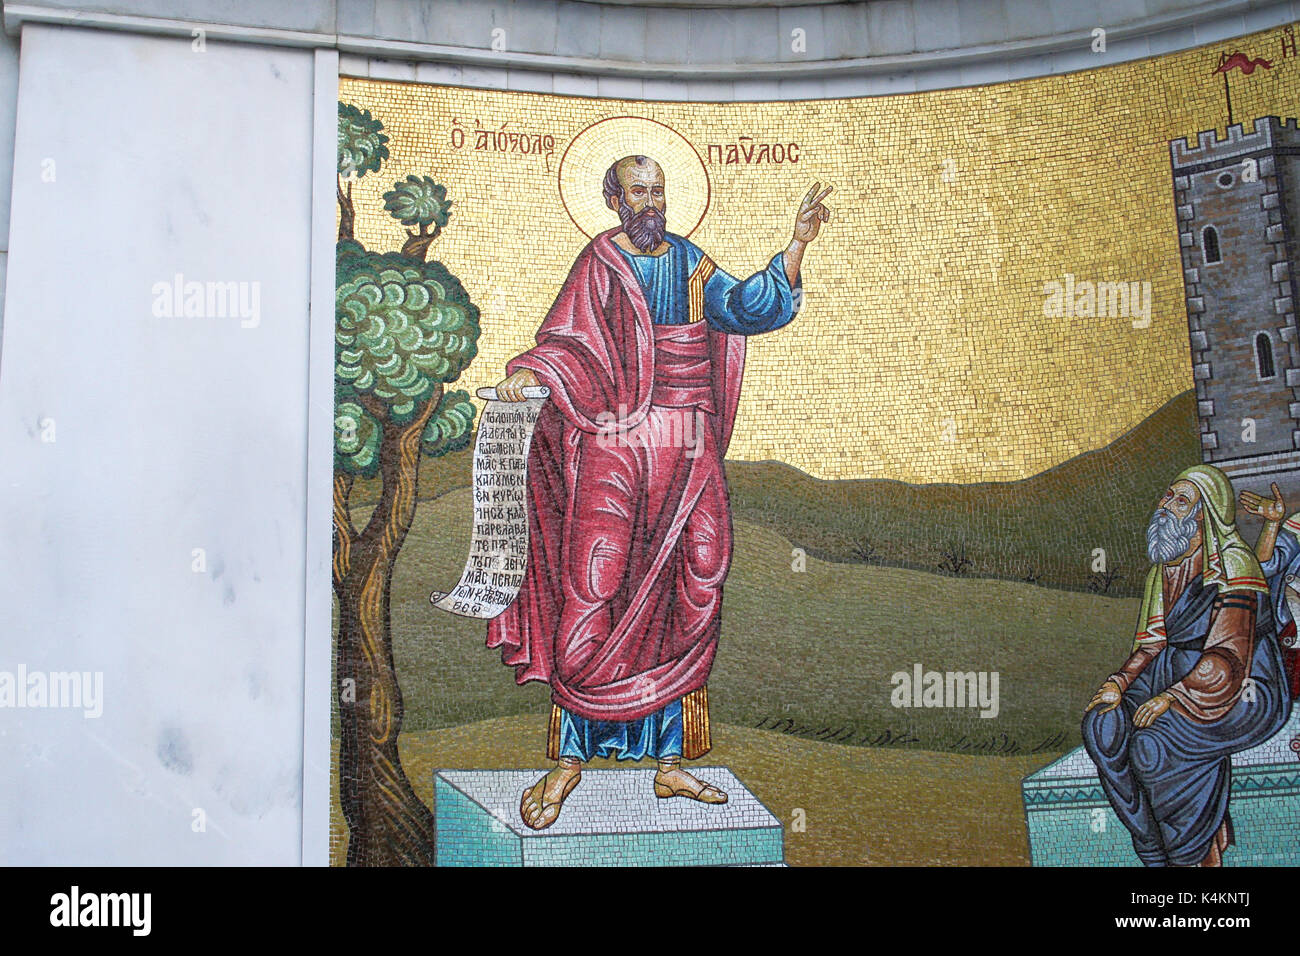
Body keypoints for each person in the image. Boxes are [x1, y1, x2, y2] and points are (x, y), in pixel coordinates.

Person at [488, 154, 832, 829]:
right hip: (615, 437)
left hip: (690, 441)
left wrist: (796, 245)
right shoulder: (599, 265)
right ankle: (568, 761)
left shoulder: (692, 262)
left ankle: (671, 762)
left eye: (659, 192)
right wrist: (531, 377)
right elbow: (566, 344)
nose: (652, 204)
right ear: (615, 199)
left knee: (699, 572)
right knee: (597, 575)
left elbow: (747, 307)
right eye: (639, 192)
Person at [1082, 464, 1290, 866]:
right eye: (1167, 496)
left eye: (1181, 500)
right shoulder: (1164, 569)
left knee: (1150, 746)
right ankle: (1152, 845)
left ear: (1203, 515)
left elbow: (1229, 655)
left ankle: (1192, 851)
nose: (1165, 505)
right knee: (1102, 725)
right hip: (1173, 670)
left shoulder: (1234, 564)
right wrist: (1119, 685)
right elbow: (1152, 641)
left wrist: (1172, 698)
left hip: (1238, 683)